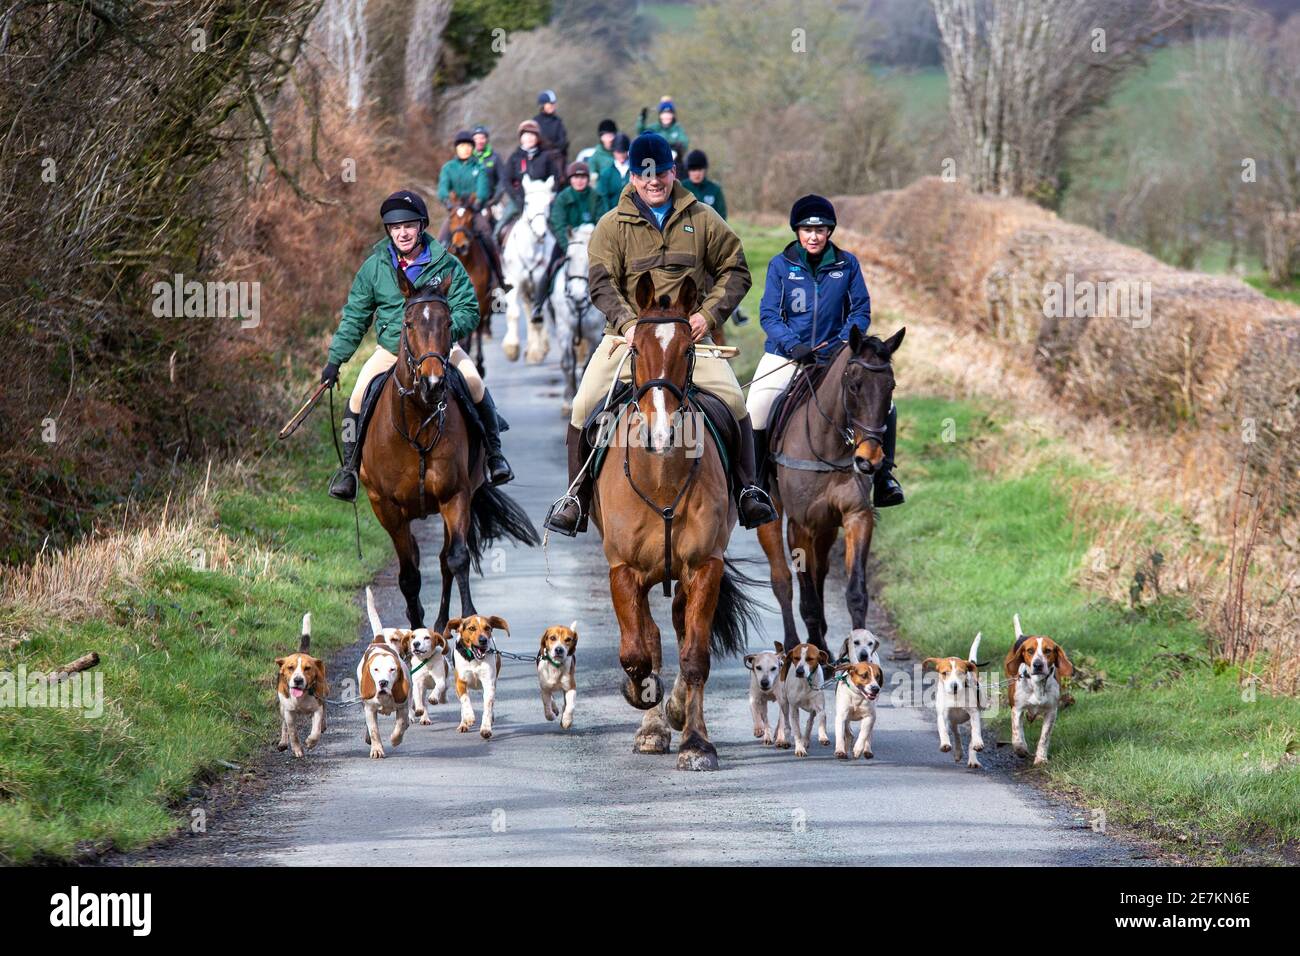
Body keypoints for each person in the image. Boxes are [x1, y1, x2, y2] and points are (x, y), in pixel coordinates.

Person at [543, 133, 776, 537]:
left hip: (691, 341)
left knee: (737, 402)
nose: (654, 182)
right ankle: (576, 497)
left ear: (673, 172)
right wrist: (628, 323)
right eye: (645, 175)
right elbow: (601, 284)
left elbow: (736, 270)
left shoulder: (702, 218)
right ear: (632, 177)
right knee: (583, 406)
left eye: (662, 173)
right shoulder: (611, 226)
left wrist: (706, 315)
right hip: (628, 339)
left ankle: (748, 490)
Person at [321, 190, 514, 500]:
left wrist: (444, 337)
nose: (403, 233)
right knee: (357, 397)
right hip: (391, 350)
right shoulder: (375, 268)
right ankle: (349, 469)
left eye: (409, 226)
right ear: (388, 231)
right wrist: (335, 360)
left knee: (475, 383)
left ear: (422, 226)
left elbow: (468, 308)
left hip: (440, 348)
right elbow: (355, 317)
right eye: (396, 228)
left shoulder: (447, 263)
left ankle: (494, 455)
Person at [747, 194, 904, 507]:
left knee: (886, 407)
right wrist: (794, 345)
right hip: (786, 354)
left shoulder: (847, 264)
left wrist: (842, 344)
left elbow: (860, 310)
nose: (814, 236)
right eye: (807, 230)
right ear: (797, 232)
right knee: (756, 408)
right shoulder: (781, 265)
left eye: (820, 230)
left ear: (829, 231)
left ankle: (884, 477)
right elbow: (769, 314)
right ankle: (756, 485)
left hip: (836, 357)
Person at [436, 129, 509, 293]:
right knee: (441, 241)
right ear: (456, 148)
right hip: (455, 212)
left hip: (473, 212)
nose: (465, 149)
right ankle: (434, 281)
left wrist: (477, 203)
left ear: (472, 148)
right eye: (462, 146)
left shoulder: (479, 167)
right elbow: (442, 189)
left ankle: (500, 278)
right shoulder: (448, 168)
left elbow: (483, 189)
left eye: (468, 146)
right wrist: (448, 203)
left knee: (488, 237)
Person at [537, 161, 607, 314]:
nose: (579, 180)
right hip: (567, 243)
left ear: (588, 179)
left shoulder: (596, 197)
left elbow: (602, 222)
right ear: (570, 179)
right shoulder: (562, 198)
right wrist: (568, 246)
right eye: (575, 177)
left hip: (591, 244)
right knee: (550, 269)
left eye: (582, 177)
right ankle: (539, 305)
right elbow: (558, 224)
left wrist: (594, 244)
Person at [501, 119, 564, 231]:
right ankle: (498, 245)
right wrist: (516, 196)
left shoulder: (546, 156)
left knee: (558, 225)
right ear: (521, 138)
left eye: (532, 135)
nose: (529, 138)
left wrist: (552, 195)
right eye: (525, 135)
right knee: (501, 225)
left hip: (543, 199)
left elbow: (556, 178)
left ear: (537, 137)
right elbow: (506, 180)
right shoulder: (515, 157)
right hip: (520, 199)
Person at [682, 150, 726, 220]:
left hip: (710, 229)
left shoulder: (715, 189)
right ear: (688, 170)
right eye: (693, 169)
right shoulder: (681, 187)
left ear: (705, 170)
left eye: (699, 169)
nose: (697, 173)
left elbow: (722, 217)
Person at [533, 89, 570, 170]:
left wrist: (554, 148)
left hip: (556, 158)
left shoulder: (558, 122)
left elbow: (563, 142)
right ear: (543, 105)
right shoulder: (535, 122)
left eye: (553, 103)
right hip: (539, 158)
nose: (553, 106)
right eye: (550, 103)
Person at [597, 132, 632, 210]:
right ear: (613, 152)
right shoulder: (606, 173)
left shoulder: (635, 171)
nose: (621, 155)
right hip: (612, 215)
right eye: (618, 152)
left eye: (623, 152)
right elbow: (603, 197)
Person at [470, 125, 499, 208]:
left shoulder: (495, 157)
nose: (479, 141)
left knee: (503, 220)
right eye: (476, 138)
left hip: (491, 201)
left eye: (482, 138)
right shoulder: (468, 157)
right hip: (470, 202)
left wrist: (495, 199)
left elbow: (503, 180)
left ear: (486, 139)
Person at [587, 119, 619, 188]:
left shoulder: (623, 154)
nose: (610, 139)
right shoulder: (595, 158)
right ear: (601, 138)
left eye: (611, 135)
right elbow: (593, 182)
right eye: (607, 136)